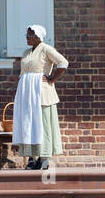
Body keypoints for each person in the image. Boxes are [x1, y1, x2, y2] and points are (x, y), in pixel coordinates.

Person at [12, 24, 68, 169]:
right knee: (28, 123)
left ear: (37, 36)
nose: (27, 38)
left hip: (41, 92)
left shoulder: (46, 49)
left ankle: (44, 158)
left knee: (42, 124)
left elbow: (63, 62)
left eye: (29, 36)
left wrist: (52, 79)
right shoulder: (26, 52)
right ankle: (31, 157)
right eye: (26, 35)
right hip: (27, 92)